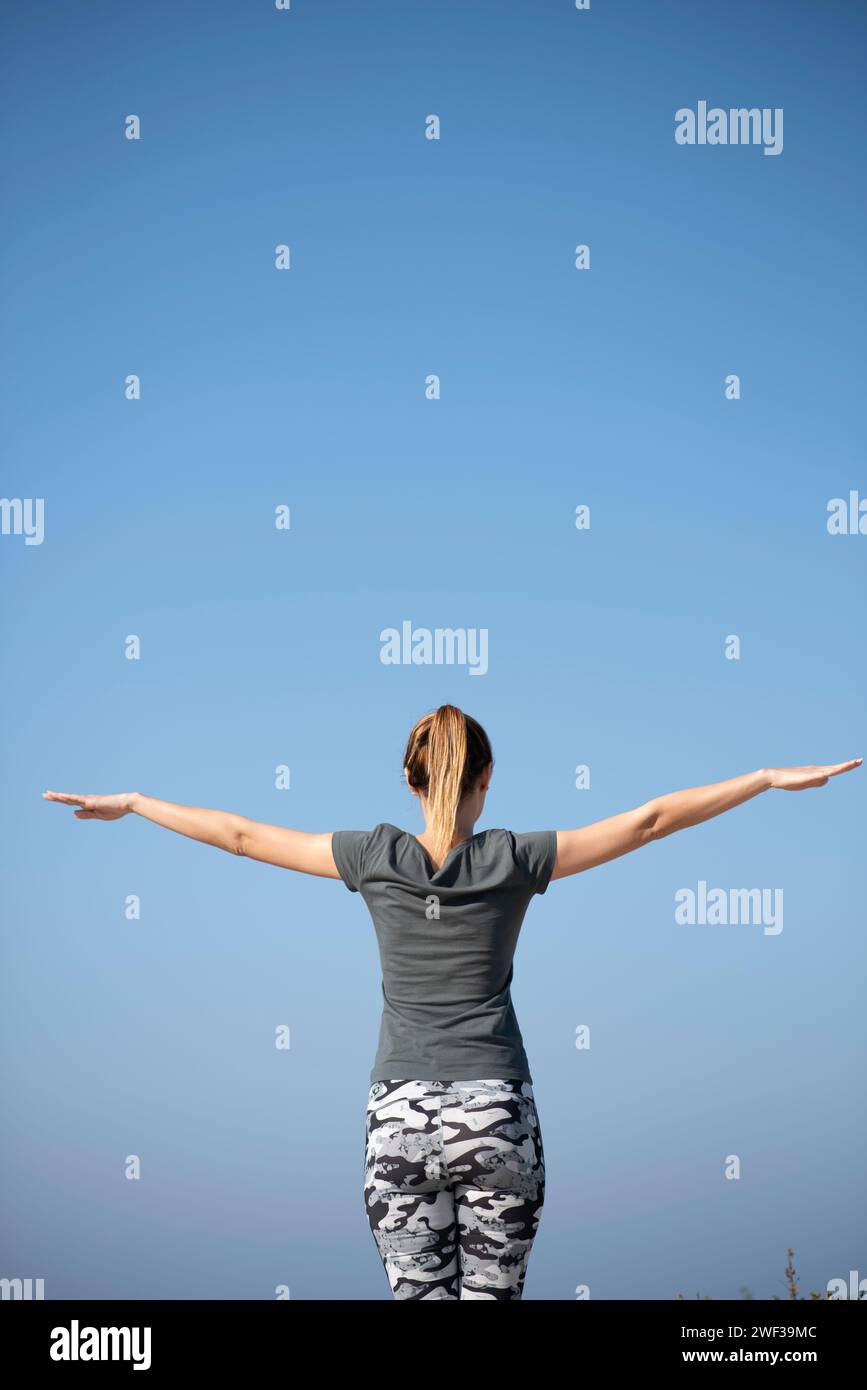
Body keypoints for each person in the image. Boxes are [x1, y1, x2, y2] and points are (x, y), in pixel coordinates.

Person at [42, 706, 860, 1300]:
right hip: (495, 1112)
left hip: (398, 1116)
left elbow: (242, 835)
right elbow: (646, 822)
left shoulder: (374, 856)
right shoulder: (513, 858)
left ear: (407, 778)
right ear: (486, 779)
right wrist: (760, 778)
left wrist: (138, 803)